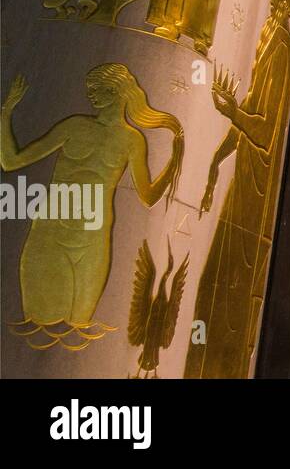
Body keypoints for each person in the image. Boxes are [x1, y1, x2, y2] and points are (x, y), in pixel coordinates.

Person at [1, 65, 183, 349]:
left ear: (117, 91)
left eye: (99, 89)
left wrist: (175, 159)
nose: (92, 96)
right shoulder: (75, 126)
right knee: (38, 330)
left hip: (93, 242)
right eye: (90, 90)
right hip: (51, 235)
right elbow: (11, 161)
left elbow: (147, 197)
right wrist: (6, 111)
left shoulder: (132, 140)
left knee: (77, 333)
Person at [185, 0, 290, 378]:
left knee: (233, 290)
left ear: (285, 2)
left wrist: (233, 113)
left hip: (258, 186)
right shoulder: (268, 42)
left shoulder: (283, 49)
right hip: (242, 182)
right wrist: (215, 161)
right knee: (213, 284)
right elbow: (248, 110)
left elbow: (266, 128)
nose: (271, 0)